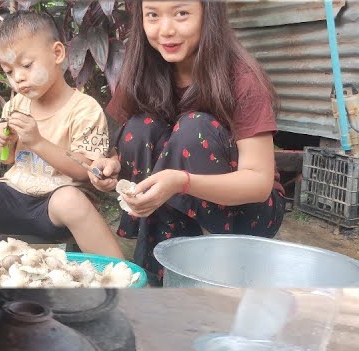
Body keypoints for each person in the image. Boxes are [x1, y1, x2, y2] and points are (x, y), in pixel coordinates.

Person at [90, 0, 283, 284]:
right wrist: (111, 166)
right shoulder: (142, 71)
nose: (166, 30)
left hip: (249, 214)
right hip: (174, 203)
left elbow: (259, 182)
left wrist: (182, 182)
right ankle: (161, 265)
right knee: (141, 127)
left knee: (195, 128)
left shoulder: (242, 79)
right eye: (153, 15)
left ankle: (217, 272)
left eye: (181, 13)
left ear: (208, 13)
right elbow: (132, 145)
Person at [0, 11, 123, 258]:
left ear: (57, 53)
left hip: (54, 208)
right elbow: (7, 159)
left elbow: (86, 170)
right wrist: (5, 142)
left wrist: (38, 142)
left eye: (27, 65)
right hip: (12, 199)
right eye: (9, 71)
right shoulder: (15, 106)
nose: (18, 78)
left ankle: (120, 270)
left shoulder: (84, 109)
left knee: (70, 200)